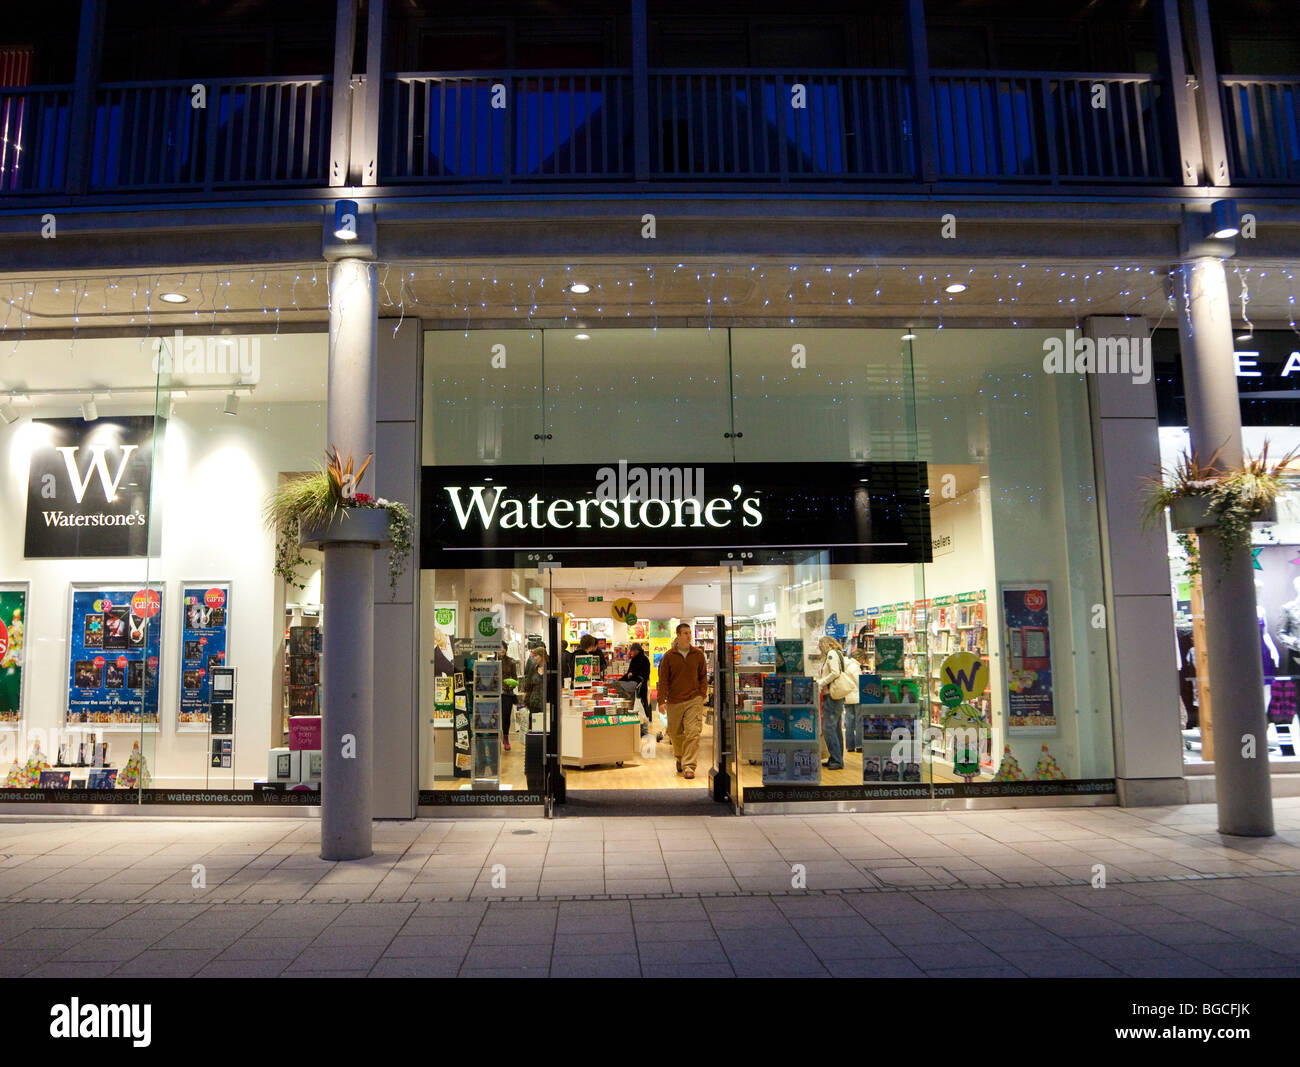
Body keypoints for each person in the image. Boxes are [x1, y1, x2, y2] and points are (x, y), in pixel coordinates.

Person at [657, 622, 708, 778]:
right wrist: (661, 701)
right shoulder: (668, 656)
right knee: (675, 734)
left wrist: (702, 694)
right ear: (678, 635)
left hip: (694, 699)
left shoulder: (698, 654)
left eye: (690, 633)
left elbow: (703, 676)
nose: (689, 636)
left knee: (693, 733)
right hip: (674, 700)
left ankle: (689, 766)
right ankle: (680, 757)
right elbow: (663, 680)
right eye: (685, 633)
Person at [816, 635, 851, 770]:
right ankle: (836, 758)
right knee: (835, 728)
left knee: (828, 728)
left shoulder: (831, 654)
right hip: (834, 696)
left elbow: (835, 673)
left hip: (831, 695)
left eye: (820, 647)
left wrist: (821, 682)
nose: (820, 650)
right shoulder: (838, 654)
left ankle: (836, 759)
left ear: (825, 644)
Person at [620, 642, 660, 739]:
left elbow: (644, 674)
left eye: (632, 651)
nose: (631, 652)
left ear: (637, 650)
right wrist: (621, 680)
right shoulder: (634, 659)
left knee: (641, 705)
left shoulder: (644, 660)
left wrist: (632, 675)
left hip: (640, 687)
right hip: (634, 686)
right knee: (637, 706)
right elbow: (629, 672)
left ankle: (643, 728)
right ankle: (638, 727)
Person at [521, 645, 548, 735]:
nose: (534, 658)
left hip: (546, 703)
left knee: (546, 726)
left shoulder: (550, 669)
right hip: (534, 702)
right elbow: (529, 685)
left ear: (542, 655)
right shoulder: (533, 668)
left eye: (536, 655)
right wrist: (526, 700)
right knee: (534, 727)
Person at [842, 643, 862, 751]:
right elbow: (859, 681)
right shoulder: (855, 666)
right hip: (856, 697)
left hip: (847, 696)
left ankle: (849, 746)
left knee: (849, 722)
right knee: (859, 721)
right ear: (860, 658)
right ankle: (859, 745)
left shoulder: (846, 665)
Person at [500, 642, 519, 751]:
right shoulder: (491, 661)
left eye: (504, 648)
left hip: (507, 693)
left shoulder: (511, 661)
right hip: (494, 693)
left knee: (506, 716)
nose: (502, 650)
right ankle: (495, 737)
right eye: (500, 648)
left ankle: (506, 738)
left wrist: (511, 685)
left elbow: (515, 678)